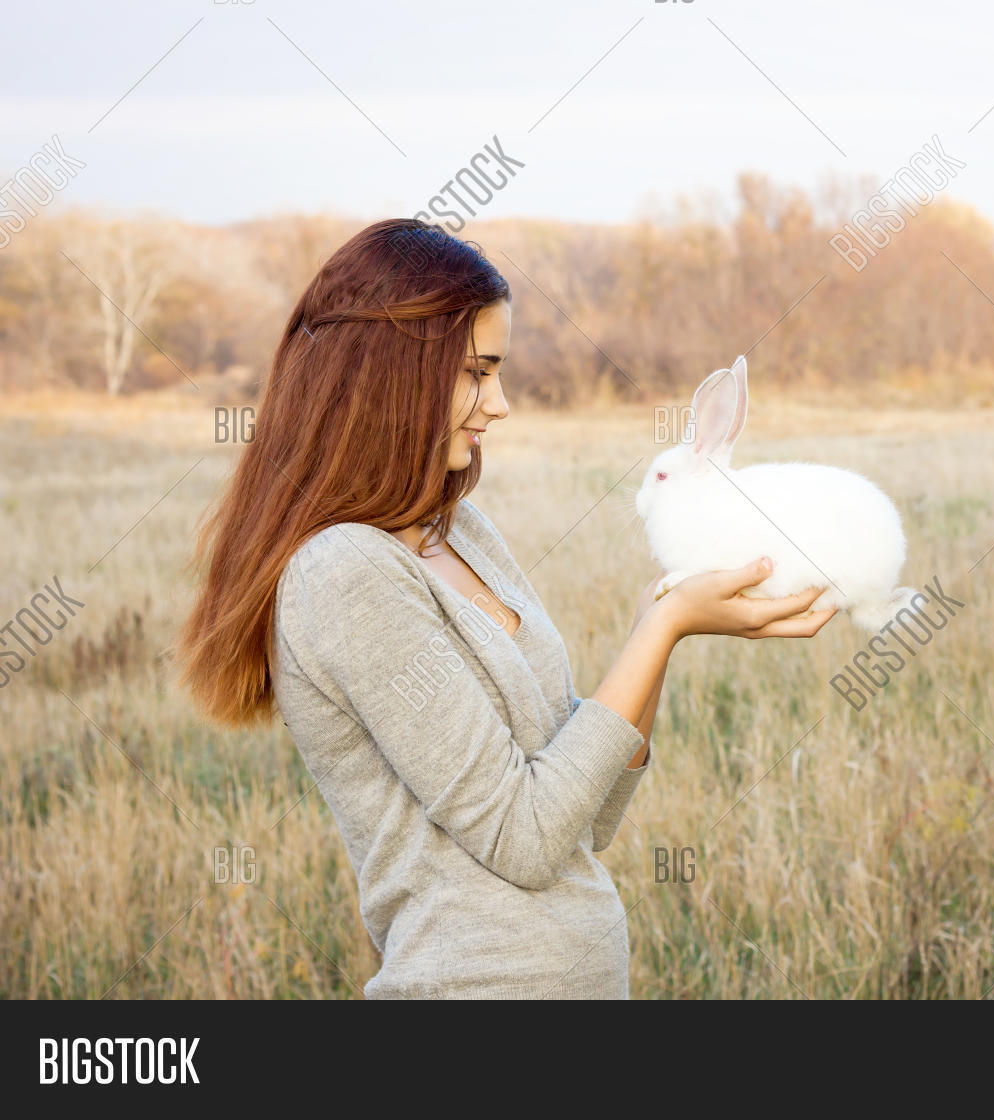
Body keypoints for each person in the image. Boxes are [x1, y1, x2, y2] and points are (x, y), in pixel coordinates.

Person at [175, 218, 836, 998]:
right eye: (477, 372)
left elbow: (585, 823)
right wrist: (665, 627)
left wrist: (651, 627)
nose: (503, 403)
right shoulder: (344, 574)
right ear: (390, 373)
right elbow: (523, 839)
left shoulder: (463, 534)